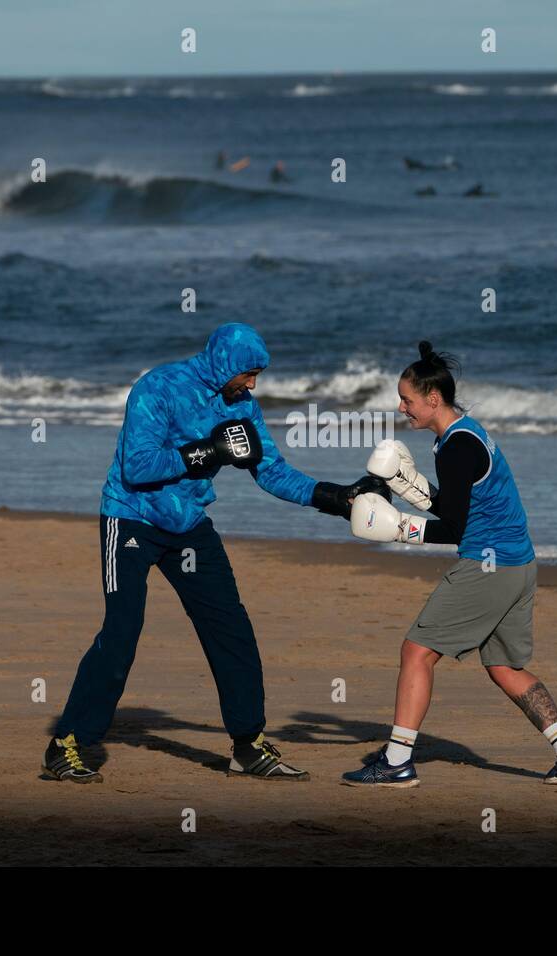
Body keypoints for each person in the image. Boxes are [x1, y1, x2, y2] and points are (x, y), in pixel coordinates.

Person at [42, 323, 386, 784]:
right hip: (130, 520)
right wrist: (208, 451)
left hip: (189, 527)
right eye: (248, 373)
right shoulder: (157, 387)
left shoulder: (242, 405)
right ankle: (68, 744)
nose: (253, 384)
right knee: (122, 631)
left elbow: (272, 472)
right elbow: (137, 466)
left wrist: (335, 497)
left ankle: (247, 746)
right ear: (224, 362)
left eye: (257, 374)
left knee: (232, 630)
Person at [342, 342, 557, 788]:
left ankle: (397, 761)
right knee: (505, 668)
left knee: (416, 652)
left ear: (432, 399)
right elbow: (458, 505)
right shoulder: (466, 433)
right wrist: (410, 484)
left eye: (407, 400)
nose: (402, 408)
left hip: (486, 566)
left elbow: (456, 528)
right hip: (519, 565)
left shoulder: (455, 448)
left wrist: (402, 530)